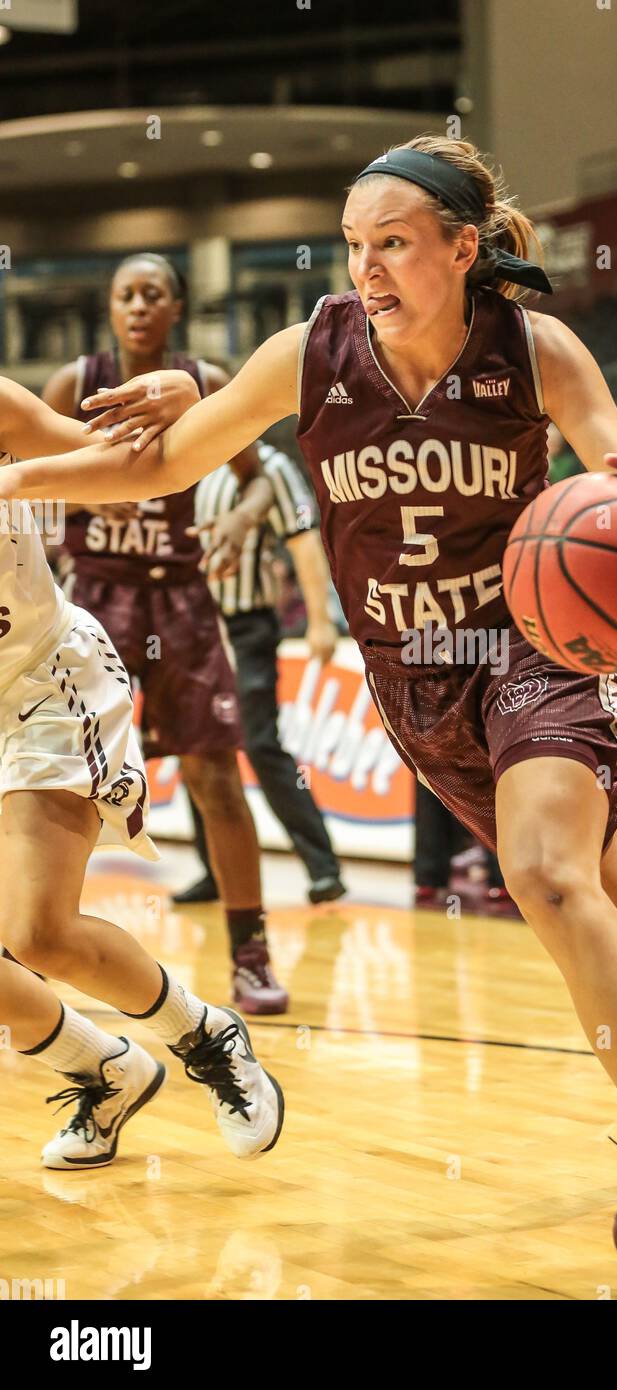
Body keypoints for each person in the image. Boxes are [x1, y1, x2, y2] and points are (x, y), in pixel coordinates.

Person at [9, 135, 617, 1295]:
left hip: (536, 651)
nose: (366, 268)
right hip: (418, 691)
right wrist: (13, 480)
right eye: (352, 246)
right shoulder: (308, 356)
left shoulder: (535, 351)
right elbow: (157, 467)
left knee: (544, 874)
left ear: (460, 247)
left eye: (392, 243)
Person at [0, 376, 283, 1169]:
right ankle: (105, 1070)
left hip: (41, 684)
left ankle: (206, 1035)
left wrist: (186, 401)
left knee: (36, 932)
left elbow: (137, 467)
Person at [42, 253, 288, 1014]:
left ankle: (251, 955)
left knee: (216, 779)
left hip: (181, 600)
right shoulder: (73, 383)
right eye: (126, 295)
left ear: (176, 308)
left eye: (153, 294)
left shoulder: (203, 381)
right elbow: (29, 479)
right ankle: (41, 945)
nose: (139, 305)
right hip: (98, 603)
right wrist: (85, 501)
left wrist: (241, 519)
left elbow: (260, 476)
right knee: (65, 786)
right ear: (110, 309)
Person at [175, 440, 346, 906]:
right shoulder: (197, 461)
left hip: (249, 626)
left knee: (259, 742)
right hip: (198, 628)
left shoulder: (272, 467)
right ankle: (213, 871)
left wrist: (319, 619)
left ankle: (322, 867)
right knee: (197, 744)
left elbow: (303, 539)